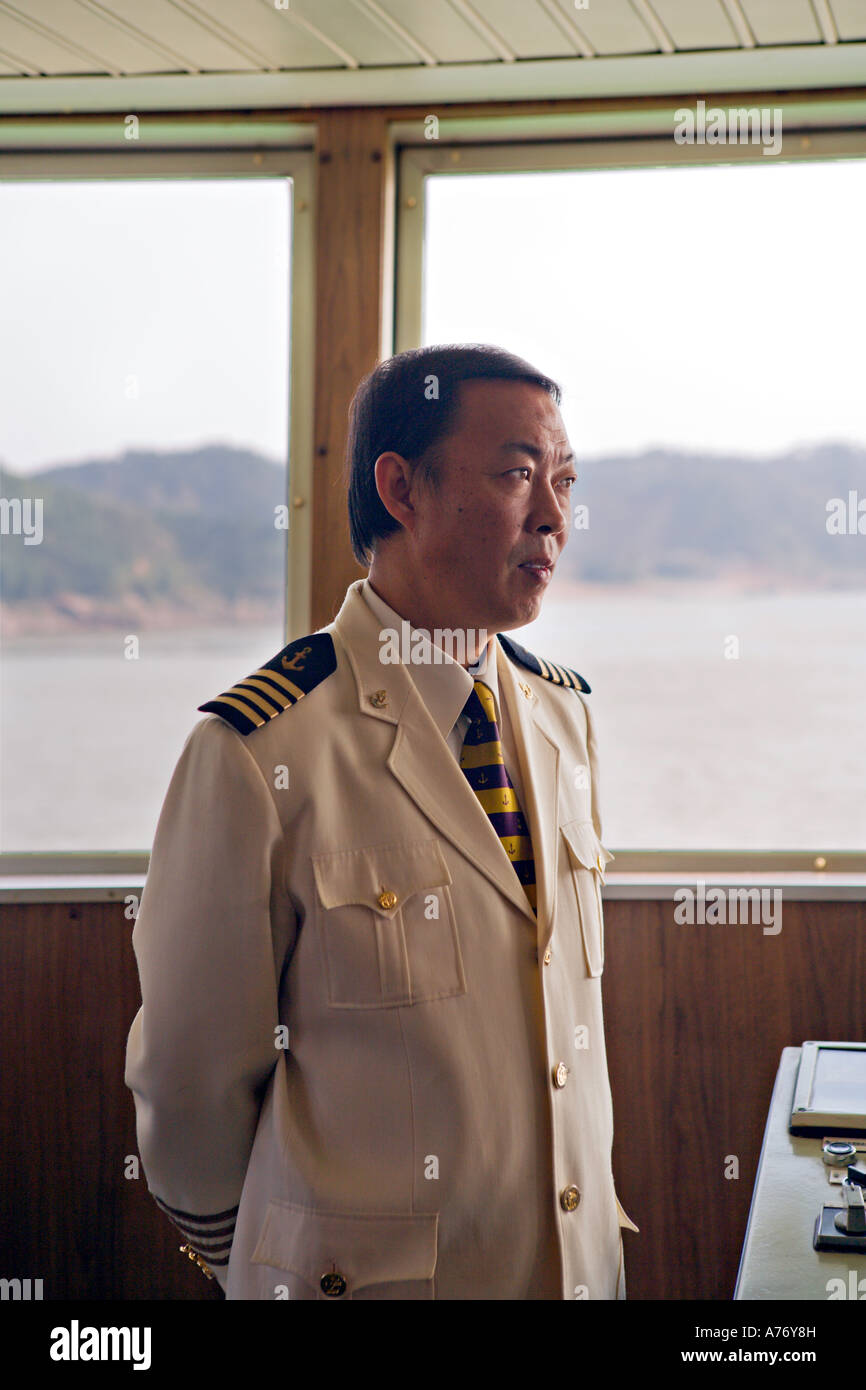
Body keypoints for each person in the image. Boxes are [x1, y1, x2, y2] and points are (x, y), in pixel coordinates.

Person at [125, 342, 637, 1300]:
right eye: (518, 475)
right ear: (400, 488)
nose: (555, 518)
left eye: (563, 480)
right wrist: (269, 1251)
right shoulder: (260, 748)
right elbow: (191, 1090)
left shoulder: (566, 718)